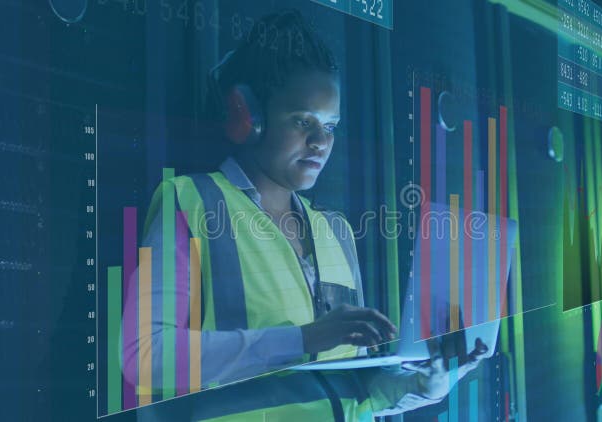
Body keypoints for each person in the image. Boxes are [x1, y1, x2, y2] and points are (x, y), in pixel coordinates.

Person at [123, 9, 487, 421]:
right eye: (303, 121)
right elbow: (144, 355)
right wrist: (303, 339)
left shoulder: (335, 231)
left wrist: (425, 385)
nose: (320, 142)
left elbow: (355, 393)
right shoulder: (189, 202)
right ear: (249, 117)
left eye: (330, 126)